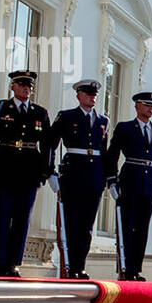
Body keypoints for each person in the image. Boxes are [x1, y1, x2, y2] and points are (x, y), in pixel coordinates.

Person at [0, 70, 52, 277]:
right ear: (13, 86)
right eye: (21, 85)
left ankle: (14, 263)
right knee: (3, 217)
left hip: (30, 172)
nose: (26, 89)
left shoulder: (40, 113)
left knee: (22, 219)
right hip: (4, 168)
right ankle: (1, 262)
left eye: (29, 85)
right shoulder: (0, 108)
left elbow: (47, 146)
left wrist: (45, 172)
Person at [48, 79, 109, 279]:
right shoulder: (66, 116)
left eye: (94, 94)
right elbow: (51, 144)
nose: (91, 97)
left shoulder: (103, 121)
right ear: (79, 96)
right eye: (87, 94)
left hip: (94, 176)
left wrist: (107, 178)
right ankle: (68, 265)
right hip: (73, 173)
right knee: (71, 222)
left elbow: (105, 151)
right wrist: (50, 172)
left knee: (87, 225)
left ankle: (79, 266)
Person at [105, 92, 152, 282]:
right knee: (126, 225)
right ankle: (124, 267)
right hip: (130, 179)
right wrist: (112, 180)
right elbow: (113, 154)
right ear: (137, 106)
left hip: (148, 184)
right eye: (147, 105)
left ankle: (136, 268)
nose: (150, 108)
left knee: (142, 227)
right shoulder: (125, 128)